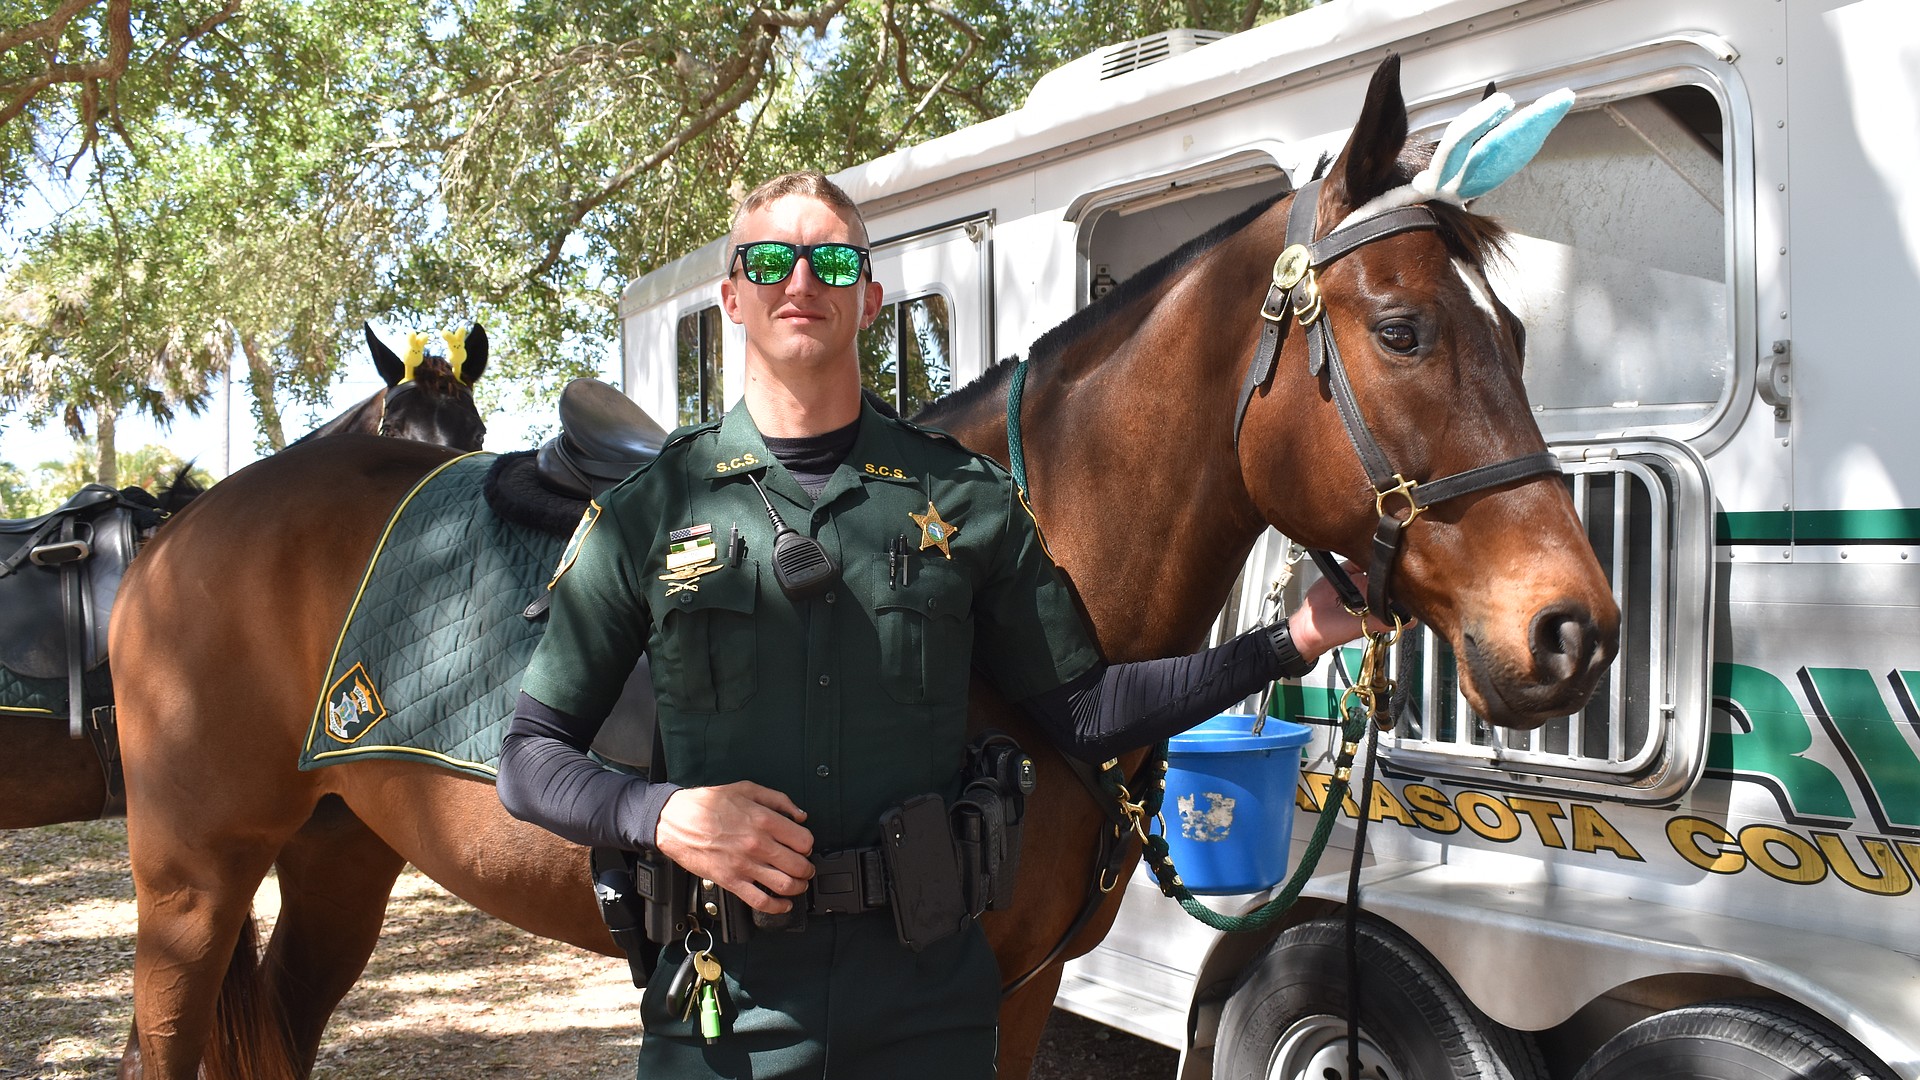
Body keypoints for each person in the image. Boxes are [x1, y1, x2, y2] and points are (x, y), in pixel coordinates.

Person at [498, 170, 1379, 1079]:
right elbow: (530, 755)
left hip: (929, 1016)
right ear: (733, 295)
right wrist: (662, 813)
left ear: (870, 298)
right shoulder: (650, 512)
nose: (801, 282)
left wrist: (1292, 641)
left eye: (831, 262)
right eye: (770, 260)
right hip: (724, 1018)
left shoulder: (964, 499)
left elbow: (1087, 711)